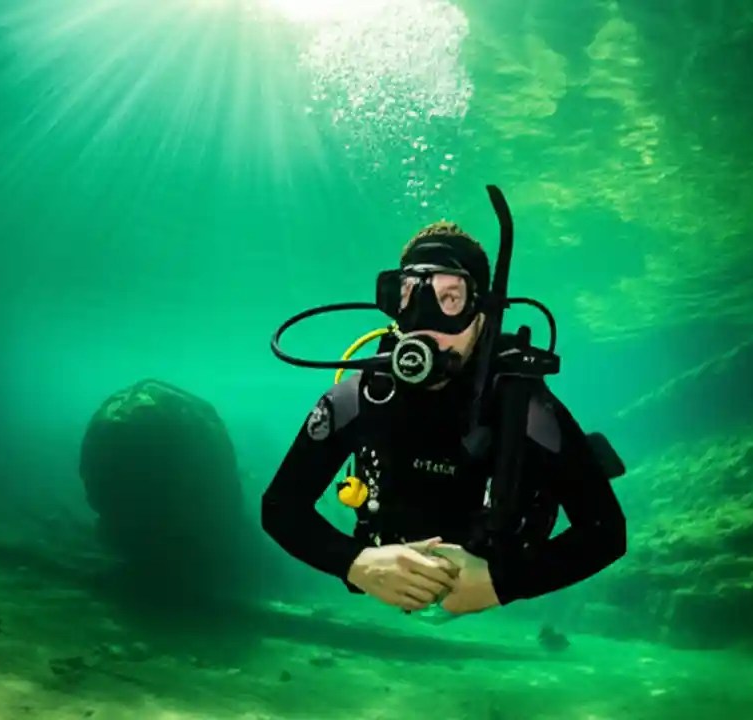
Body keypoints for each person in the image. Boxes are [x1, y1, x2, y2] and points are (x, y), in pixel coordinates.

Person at [263, 186, 627, 616]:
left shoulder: (519, 405)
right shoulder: (362, 395)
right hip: (386, 563)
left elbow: (605, 532)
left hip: (489, 567)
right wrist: (357, 564)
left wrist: (499, 584)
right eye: (409, 297)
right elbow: (281, 508)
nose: (425, 322)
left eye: (449, 298)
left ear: (483, 313)